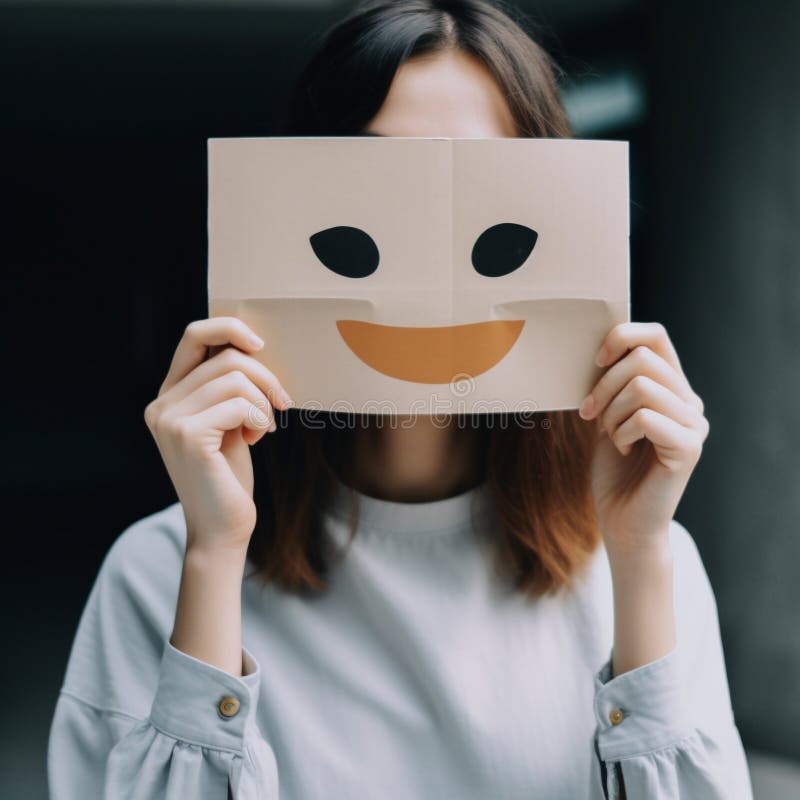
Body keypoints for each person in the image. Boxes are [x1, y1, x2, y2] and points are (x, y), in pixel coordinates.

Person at [47, 1, 753, 798]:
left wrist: (638, 561)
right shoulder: (157, 572)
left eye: (479, 186)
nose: (427, 269)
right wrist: (213, 558)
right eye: (379, 181)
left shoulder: (644, 560)